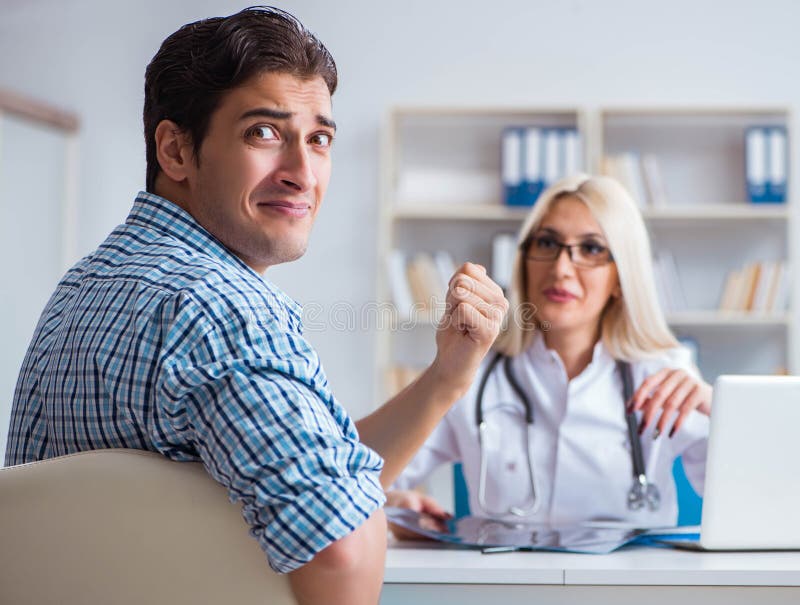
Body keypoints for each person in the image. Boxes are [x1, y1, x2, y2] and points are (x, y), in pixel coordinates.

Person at [4, 7, 507, 605]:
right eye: (264, 133)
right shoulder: (222, 308)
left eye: (318, 139)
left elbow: (307, 483)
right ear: (176, 151)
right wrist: (359, 512)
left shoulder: (84, 286)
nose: (302, 173)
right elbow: (337, 551)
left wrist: (448, 377)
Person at [388, 174, 711, 529]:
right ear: (524, 261)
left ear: (620, 278)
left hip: (627, 584)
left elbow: (756, 502)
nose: (560, 269)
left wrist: (718, 409)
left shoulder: (664, 378)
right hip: (505, 582)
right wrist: (392, 506)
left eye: (590, 249)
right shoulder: (471, 375)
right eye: (546, 243)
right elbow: (357, 477)